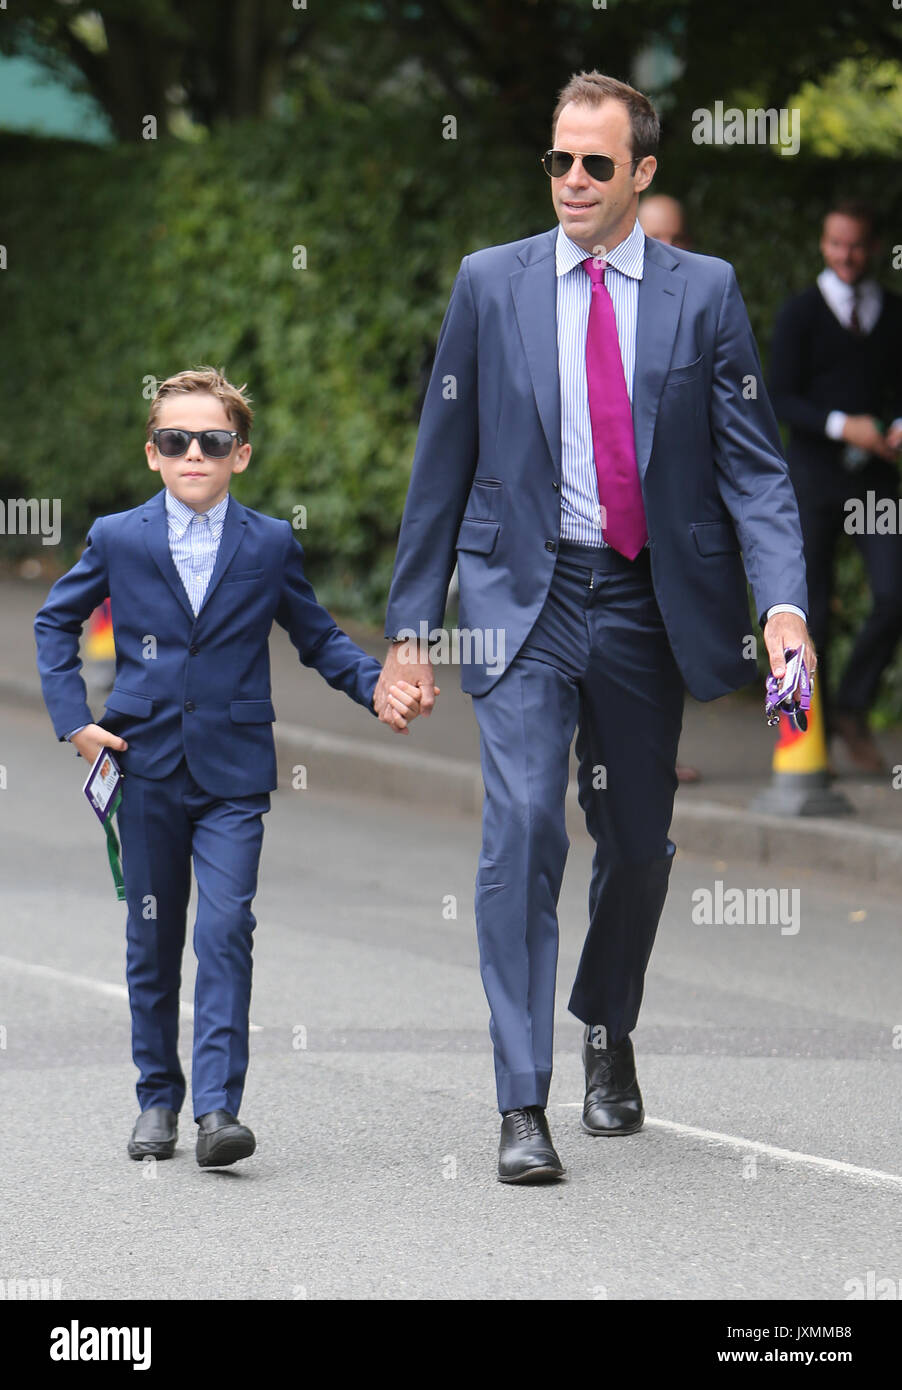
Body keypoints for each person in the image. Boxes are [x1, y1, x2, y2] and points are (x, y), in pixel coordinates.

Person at [374, 71, 813, 1183]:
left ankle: (605, 1027)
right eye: (558, 161)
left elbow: (754, 471)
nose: (571, 180)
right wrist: (411, 627)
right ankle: (520, 1101)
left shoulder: (703, 292)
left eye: (595, 165)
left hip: (642, 603)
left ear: (642, 173)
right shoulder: (489, 283)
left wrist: (782, 606)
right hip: (523, 599)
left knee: (636, 846)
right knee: (521, 826)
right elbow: (441, 466)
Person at [35, 367, 423, 1167]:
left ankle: (217, 1110)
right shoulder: (118, 536)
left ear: (239, 455)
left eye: (212, 442)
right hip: (141, 765)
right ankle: (156, 1100)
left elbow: (316, 639)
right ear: (153, 454)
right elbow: (53, 621)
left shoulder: (270, 543)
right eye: (176, 442)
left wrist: (377, 691)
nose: (194, 456)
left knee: (224, 929)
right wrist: (75, 721)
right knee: (152, 938)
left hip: (235, 776)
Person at [770, 201, 902, 772]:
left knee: (894, 593)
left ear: (871, 248)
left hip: (874, 479)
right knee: (804, 609)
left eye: (856, 245)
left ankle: (851, 708)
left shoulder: (893, 312)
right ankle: (797, 737)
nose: (846, 256)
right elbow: (778, 396)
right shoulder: (800, 313)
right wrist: (838, 424)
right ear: (823, 245)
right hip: (812, 475)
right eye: (836, 244)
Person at [638, 191, 700, 784]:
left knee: (666, 641)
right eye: (656, 237)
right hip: (580, 548)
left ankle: (655, 755)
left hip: (672, 534)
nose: (668, 251)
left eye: (679, 239)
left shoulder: (705, 301)